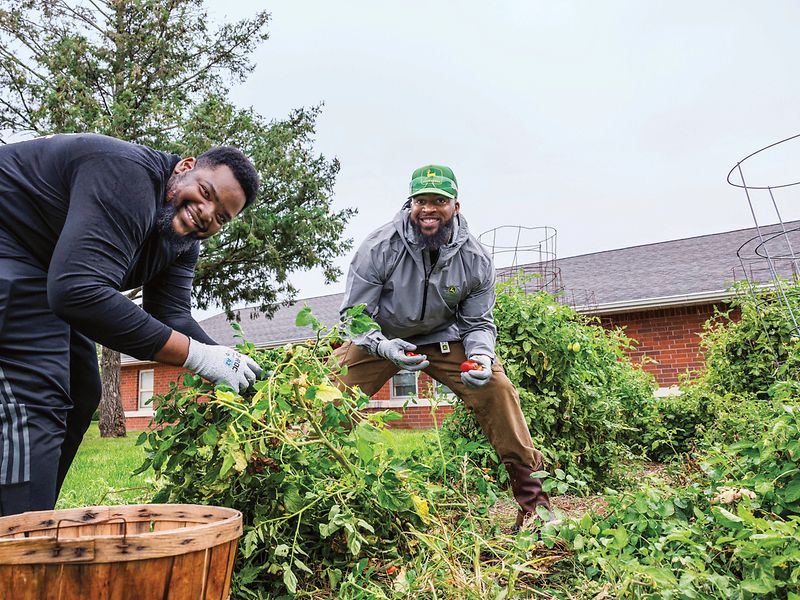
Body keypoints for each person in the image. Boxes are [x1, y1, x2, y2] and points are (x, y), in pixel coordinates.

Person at [0, 133, 262, 516]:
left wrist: (230, 363)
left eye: (222, 216)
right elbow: (77, 292)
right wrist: (197, 357)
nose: (207, 213)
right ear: (185, 167)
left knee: (81, 390)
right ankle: (20, 545)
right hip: (12, 243)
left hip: (44, 267)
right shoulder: (128, 177)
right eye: (206, 193)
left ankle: (31, 517)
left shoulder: (182, 242)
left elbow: (172, 315)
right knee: (38, 390)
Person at [335, 164, 552, 529]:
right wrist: (383, 347)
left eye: (439, 200)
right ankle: (296, 472)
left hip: (445, 339)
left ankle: (536, 507)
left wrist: (482, 356)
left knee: (498, 390)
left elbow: (478, 322)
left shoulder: (475, 258)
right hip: (383, 339)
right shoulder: (378, 247)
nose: (429, 209)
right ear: (410, 204)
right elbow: (353, 316)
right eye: (421, 200)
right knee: (329, 393)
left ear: (456, 205)